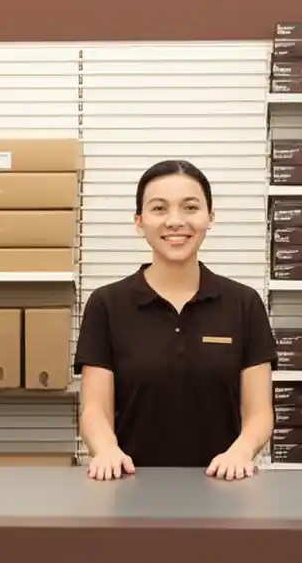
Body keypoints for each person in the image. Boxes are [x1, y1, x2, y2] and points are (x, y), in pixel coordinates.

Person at [73, 159, 277, 481]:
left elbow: (260, 412)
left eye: (190, 207)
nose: (175, 221)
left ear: (210, 217)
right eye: (158, 209)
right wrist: (106, 449)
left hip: (224, 484)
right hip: (129, 485)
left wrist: (241, 451)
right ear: (138, 221)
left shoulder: (244, 303)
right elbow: (94, 410)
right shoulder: (106, 304)